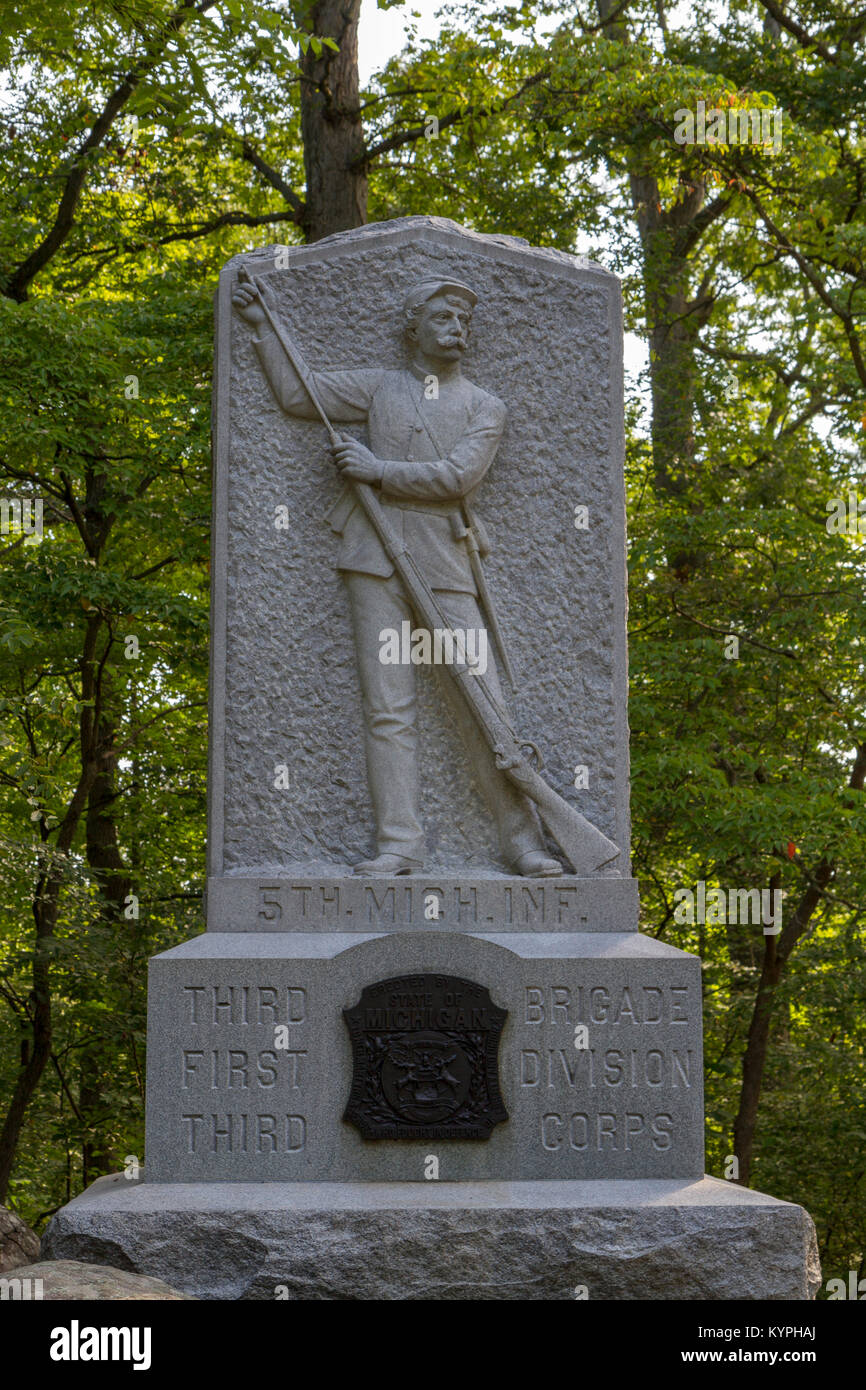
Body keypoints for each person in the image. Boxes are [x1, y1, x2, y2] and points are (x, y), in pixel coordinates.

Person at [233, 273, 561, 878]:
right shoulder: (380, 387)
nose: (457, 329)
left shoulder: (486, 406)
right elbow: (297, 396)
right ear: (413, 328)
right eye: (443, 318)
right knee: (389, 708)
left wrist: (376, 469)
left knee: (483, 708)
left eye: (464, 321)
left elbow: (458, 477)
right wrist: (261, 326)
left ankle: (524, 841)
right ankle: (400, 844)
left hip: (444, 563)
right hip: (373, 557)